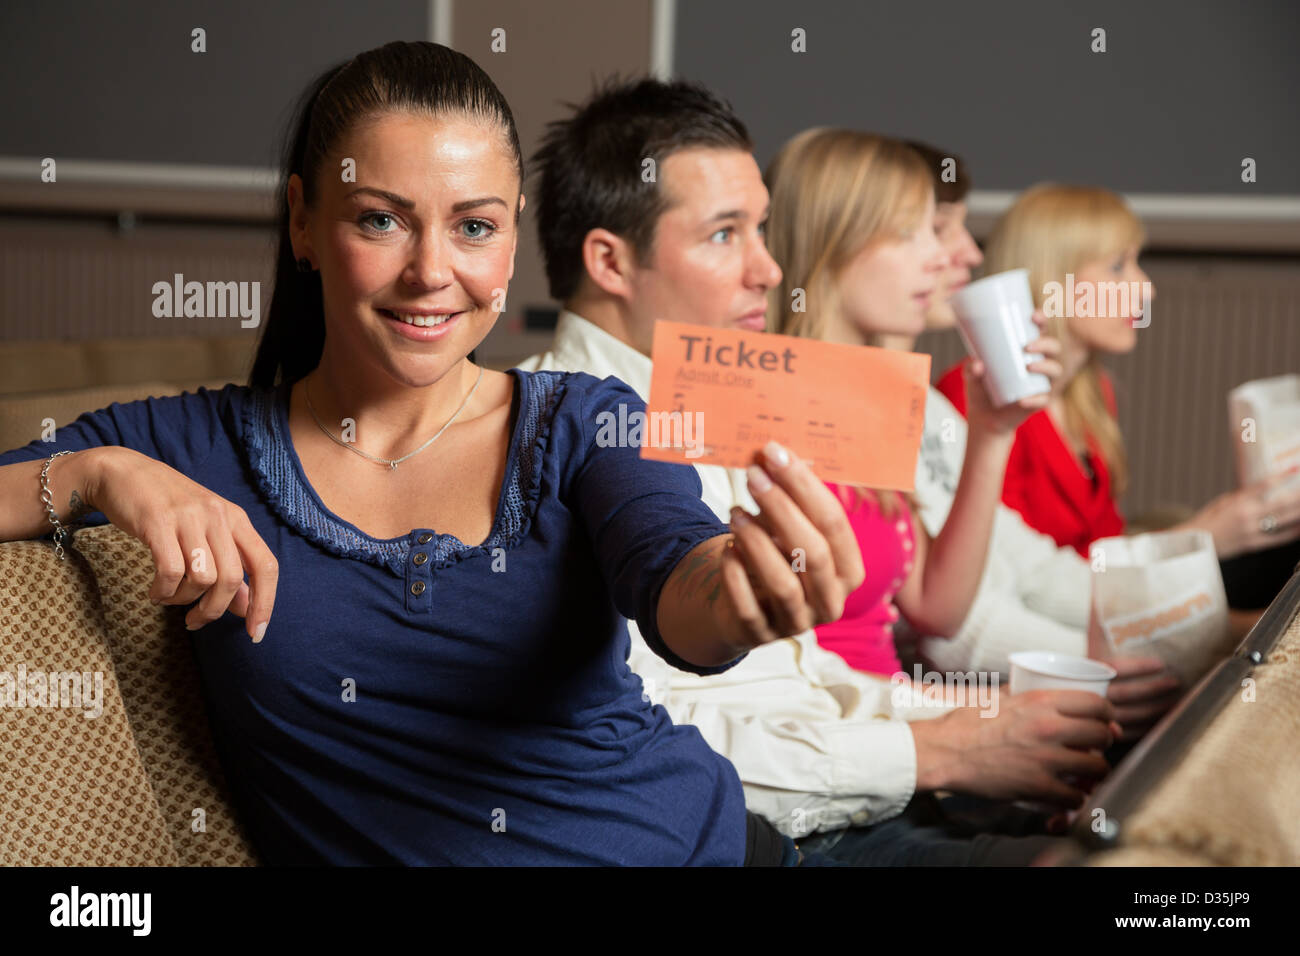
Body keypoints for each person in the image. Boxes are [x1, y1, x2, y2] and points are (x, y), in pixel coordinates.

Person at [0, 42, 869, 867]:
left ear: (512, 234)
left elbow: (678, 571)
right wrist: (94, 472)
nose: (431, 271)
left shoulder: (586, 419)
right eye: (381, 221)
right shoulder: (199, 442)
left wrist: (738, 594)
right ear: (303, 221)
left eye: (474, 228)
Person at [518, 77, 1119, 864]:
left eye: (761, 230)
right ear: (611, 261)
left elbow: (804, 675)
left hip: (850, 787)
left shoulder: (721, 403)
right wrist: (940, 751)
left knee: (1137, 829)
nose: (769, 269)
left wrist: (975, 725)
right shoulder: (548, 437)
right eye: (724, 235)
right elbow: (648, 742)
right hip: (769, 830)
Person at [886, 141, 1183, 741]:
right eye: (1119, 267)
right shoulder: (970, 399)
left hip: (950, 697)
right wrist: (1121, 663)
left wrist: (1188, 627)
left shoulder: (951, 406)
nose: (970, 253)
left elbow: (1038, 566)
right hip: (937, 709)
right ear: (1058, 278)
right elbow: (956, 619)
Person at [762, 128, 1063, 677]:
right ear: (834, 240)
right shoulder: (760, 404)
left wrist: (992, 433)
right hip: (844, 729)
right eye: (912, 233)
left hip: (891, 709)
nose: (941, 258)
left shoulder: (871, 395)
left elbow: (937, 608)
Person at [936, 185, 1300, 588]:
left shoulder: (1092, 392)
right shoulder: (978, 396)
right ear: (1055, 279)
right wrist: (1204, 538)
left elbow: (1104, 546)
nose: (1145, 288)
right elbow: (1019, 582)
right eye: (1117, 267)